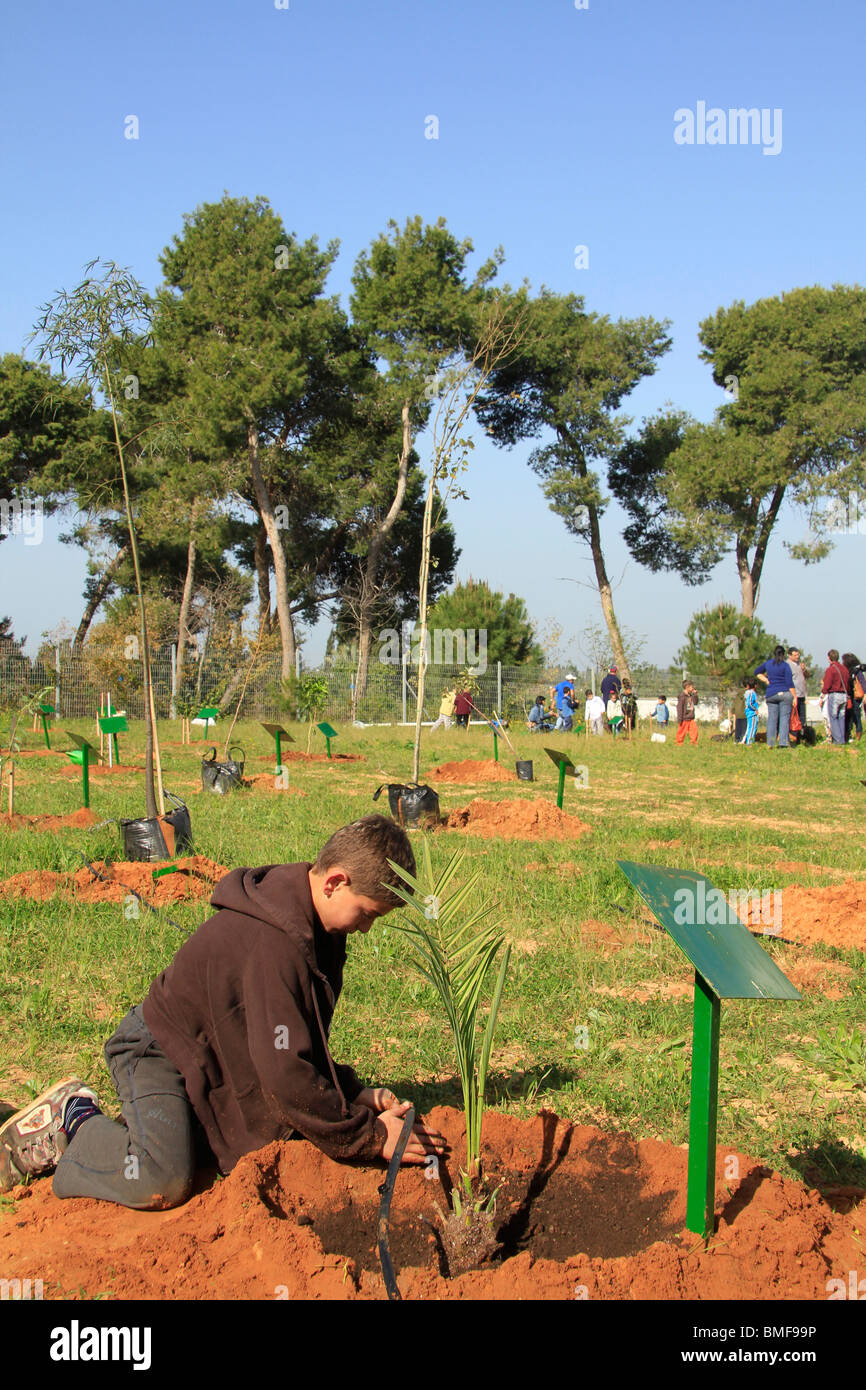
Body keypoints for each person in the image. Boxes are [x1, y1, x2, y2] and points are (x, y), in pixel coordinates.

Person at [0, 816, 447, 1205]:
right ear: (335, 882)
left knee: (207, 1150)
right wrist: (367, 1136)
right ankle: (73, 1120)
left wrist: (346, 1090)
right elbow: (283, 1071)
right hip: (158, 1051)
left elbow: (295, 1035)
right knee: (164, 1178)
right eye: (367, 914)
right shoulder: (275, 941)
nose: (367, 928)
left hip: (210, 1054)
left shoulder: (315, 921)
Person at [754, 645, 796, 748]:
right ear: (784, 654)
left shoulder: (768, 664)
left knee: (772, 719)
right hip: (785, 693)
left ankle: (770, 743)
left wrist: (766, 680)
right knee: (784, 719)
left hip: (771, 694)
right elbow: (789, 683)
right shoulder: (785, 665)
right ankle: (783, 743)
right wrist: (795, 697)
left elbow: (756, 672)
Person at [820, 650, 849, 745]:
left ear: (829, 658)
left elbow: (827, 684)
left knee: (833, 717)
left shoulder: (831, 669)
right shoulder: (844, 669)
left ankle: (838, 740)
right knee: (842, 717)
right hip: (844, 695)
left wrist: (823, 694)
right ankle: (842, 739)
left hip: (834, 694)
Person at [841, 652, 863, 743]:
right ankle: (853, 734)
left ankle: (856, 734)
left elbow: (862, 683)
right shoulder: (856, 670)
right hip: (852, 696)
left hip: (854, 696)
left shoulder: (855, 671)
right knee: (853, 716)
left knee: (855, 716)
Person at [787, 647, 808, 734]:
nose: (797, 657)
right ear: (789, 655)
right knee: (793, 717)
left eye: (798, 655)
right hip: (794, 695)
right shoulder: (787, 665)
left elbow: (806, 676)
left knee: (802, 717)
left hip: (802, 695)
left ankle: (802, 735)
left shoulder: (800, 664)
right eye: (795, 655)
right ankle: (793, 735)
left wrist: (804, 670)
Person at [676, 679, 699, 745]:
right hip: (684, 718)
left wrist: (695, 694)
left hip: (691, 717)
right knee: (682, 732)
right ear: (687, 687)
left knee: (694, 731)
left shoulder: (691, 695)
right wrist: (680, 719)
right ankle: (679, 743)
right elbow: (679, 708)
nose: (693, 688)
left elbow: (695, 702)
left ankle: (693, 743)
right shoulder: (682, 696)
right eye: (692, 687)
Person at [743, 680, 759, 745]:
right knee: (752, 727)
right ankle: (749, 742)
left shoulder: (748, 692)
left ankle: (750, 741)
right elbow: (749, 703)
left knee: (751, 727)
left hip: (750, 712)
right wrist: (755, 709)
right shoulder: (752, 693)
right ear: (755, 685)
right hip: (751, 712)